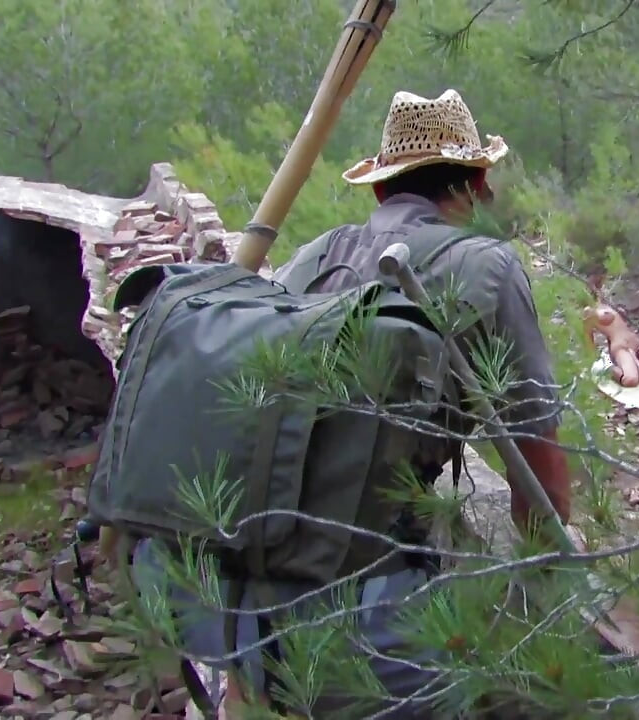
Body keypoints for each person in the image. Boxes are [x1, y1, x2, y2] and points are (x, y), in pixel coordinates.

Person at [131, 88, 575, 720]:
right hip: (374, 638)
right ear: (476, 184)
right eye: (488, 181)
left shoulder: (315, 258)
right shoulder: (489, 267)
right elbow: (544, 487)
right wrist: (542, 603)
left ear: (380, 190)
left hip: (220, 606)